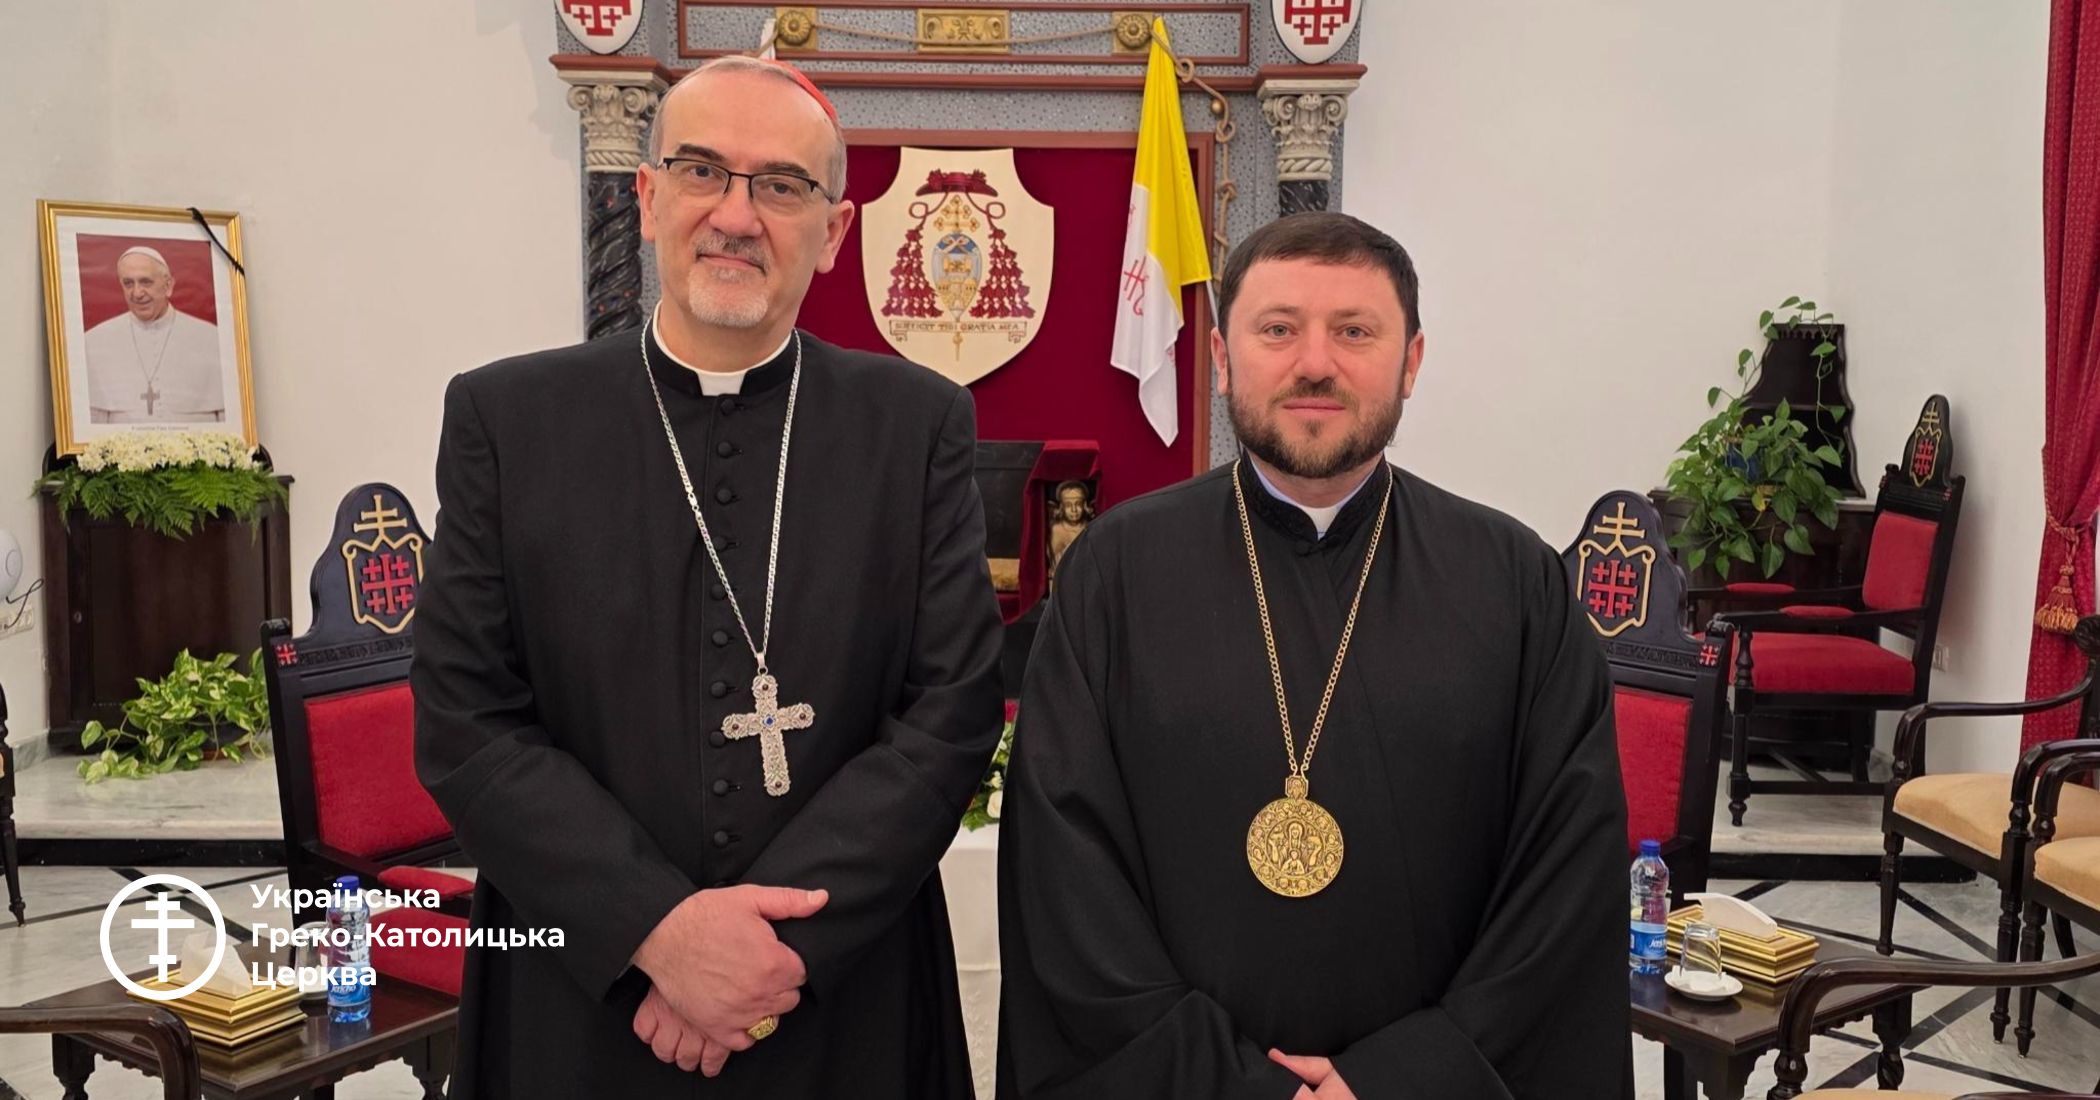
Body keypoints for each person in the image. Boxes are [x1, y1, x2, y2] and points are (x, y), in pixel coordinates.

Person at [413, 54, 1004, 1099]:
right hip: (582, 990)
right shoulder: (509, 420)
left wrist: (768, 955)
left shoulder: (914, 426)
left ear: (837, 230)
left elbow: (950, 712)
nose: (736, 214)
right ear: (646, 199)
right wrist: (656, 927)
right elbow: (466, 719)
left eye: (781, 185)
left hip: (840, 992)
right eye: (701, 172)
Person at [996, 211, 1630, 1099]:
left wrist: (1409, 1076)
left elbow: (1566, 871)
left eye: (1355, 332)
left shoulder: (1513, 578)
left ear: (1411, 361)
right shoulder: (1115, 572)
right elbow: (1064, 869)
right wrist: (1224, 1081)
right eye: (1279, 329)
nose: (1316, 363)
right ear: (1220, 357)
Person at [81, 246, 225, 423]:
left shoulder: (212, 339)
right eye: (128, 283)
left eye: (146, 282)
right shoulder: (94, 342)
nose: (137, 293)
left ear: (168, 286)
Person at [1045, 480, 1093, 583]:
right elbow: (1055, 563)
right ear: (1061, 507)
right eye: (1068, 505)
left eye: (1078, 504)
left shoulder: (1089, 527)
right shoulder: (1057, 529)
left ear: (1085, 505)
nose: (1074, 509)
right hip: (1061, 579)